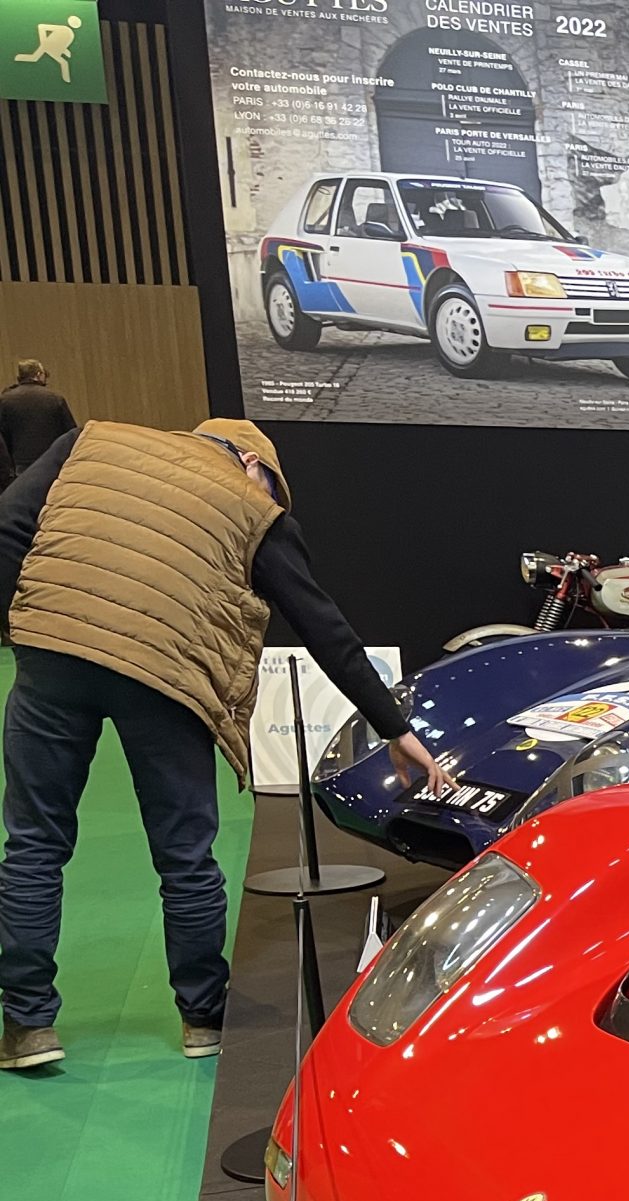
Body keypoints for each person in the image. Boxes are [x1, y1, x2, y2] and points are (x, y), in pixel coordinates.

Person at [0, 417, 446, 1072]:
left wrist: (25, 621)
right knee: (184, 852)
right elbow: (323, 625)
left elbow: (8, 524)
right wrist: (396, 730)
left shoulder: (87, 442)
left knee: (34, 844)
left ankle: (28, 1024)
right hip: (168, 674)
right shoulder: (253, 508)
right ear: (251, 463)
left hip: (54, 653)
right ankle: (203, 1017)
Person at [0, 361, 75, 476]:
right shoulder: (55, 399)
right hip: (52, 460)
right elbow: (70, 433)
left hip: (20, 464)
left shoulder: (4, 401)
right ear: (39, 375)